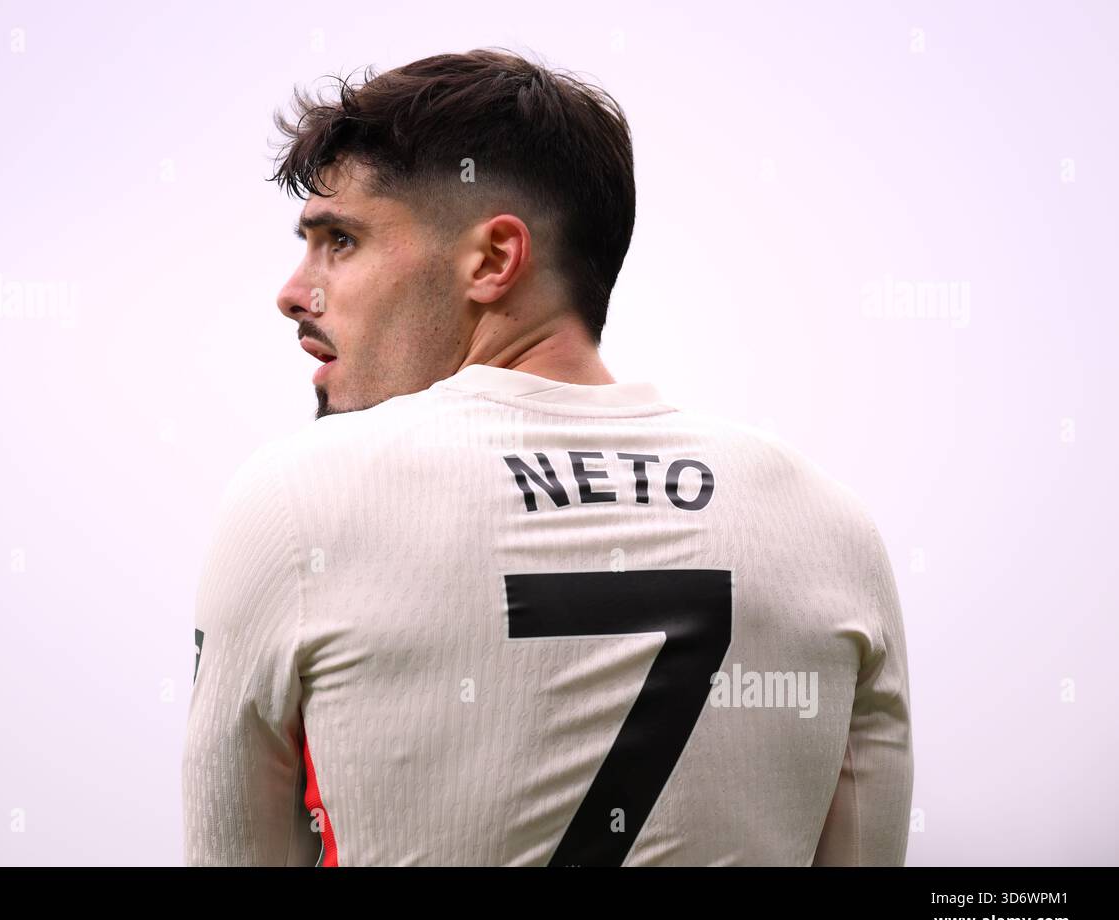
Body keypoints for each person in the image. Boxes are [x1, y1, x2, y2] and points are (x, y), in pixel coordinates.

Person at [180, 48, 913, 866]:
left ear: (494, 260)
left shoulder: (293, 506)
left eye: (340, 241)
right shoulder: (828, 528)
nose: (293, 290)